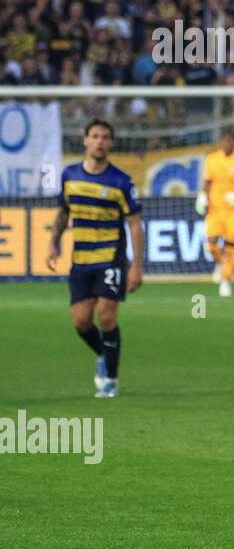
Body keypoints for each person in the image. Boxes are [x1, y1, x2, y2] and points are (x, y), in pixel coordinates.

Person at [45, 119, 145, 398]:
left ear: (111, 143)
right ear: (85, 140)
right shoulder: (70, 176)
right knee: (80, 321)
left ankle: (111, 380)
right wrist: (53, 244)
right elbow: (64, 213)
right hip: (81, 260)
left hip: (110, 257)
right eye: (95, 136)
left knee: (107, 314)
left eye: (105, 137)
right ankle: (104, 354)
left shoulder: (121, 182)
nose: (100, 141)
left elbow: (135, 224)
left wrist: (136, 266)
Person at [196, 129, 234, 298]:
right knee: (211, 245)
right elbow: (207, 181)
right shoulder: (212, 159)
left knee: (230, 246)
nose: (226, 144)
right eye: (224, 140)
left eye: (229, 141)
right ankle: (220, 264)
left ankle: (226, 281)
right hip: (216, 209)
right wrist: (202, 196)